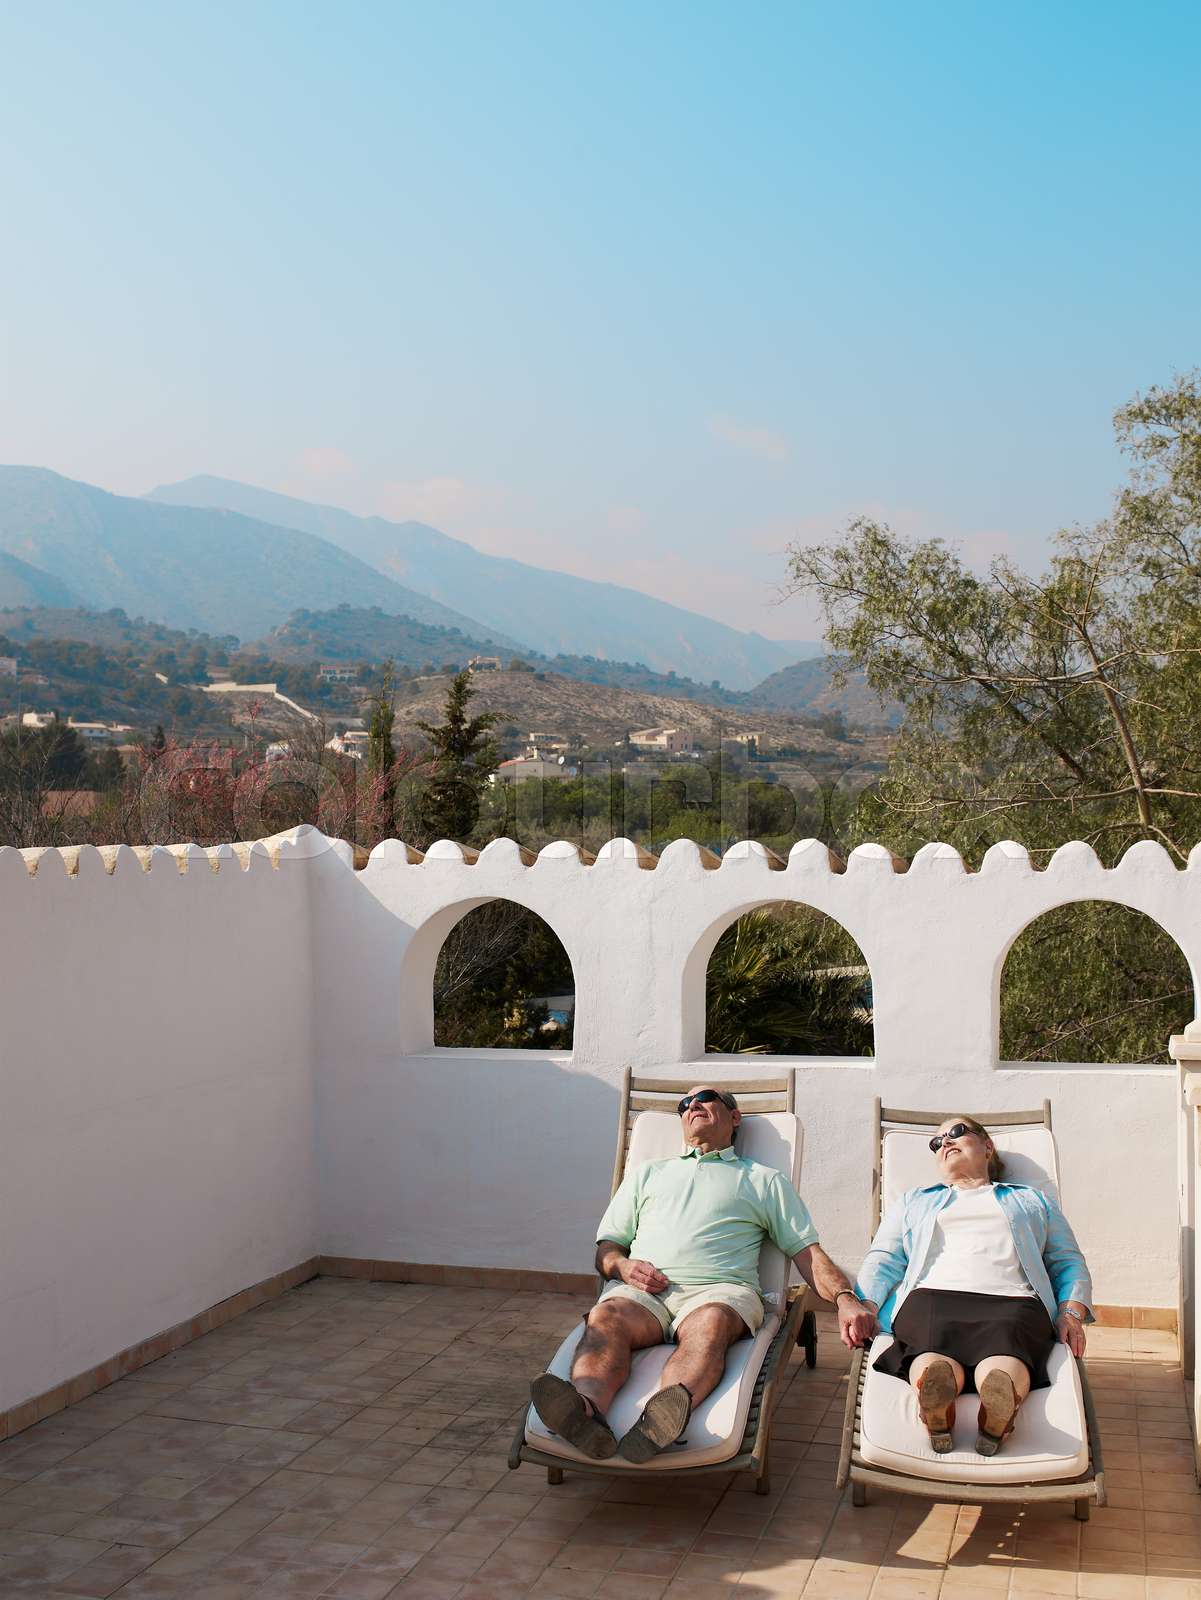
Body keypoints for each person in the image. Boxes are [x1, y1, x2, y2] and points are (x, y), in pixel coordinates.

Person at [530, 1084, 877, 1462]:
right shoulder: (649, 1173)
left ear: (734, 1116)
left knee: (710, 1323)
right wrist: (622, 1266)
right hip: (643, 1293)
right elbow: (607, 1249)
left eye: (706, 1097)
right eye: (684, 1104)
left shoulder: (763, 1179)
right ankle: (584, 1411)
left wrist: (845, 1299)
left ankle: (658, 1422)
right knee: (606, 1316)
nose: (693, 1104)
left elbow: (807, 1253)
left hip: (719, 1292)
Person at [855, 1115, 1092, 1455]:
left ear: (987, 1146)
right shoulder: (914, 1201)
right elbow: (884, 1258)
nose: (945, 1142)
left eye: (956, 1132)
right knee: (931, 1353)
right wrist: (865, 1305)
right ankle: (937, 1399)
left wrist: (1071, 1313)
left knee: (1006, 1353)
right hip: (931, 1299)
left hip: (1014, 1302)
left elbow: (1067, 1260)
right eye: (937, 1142)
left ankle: (995, 1405)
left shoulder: (1032, 1200)